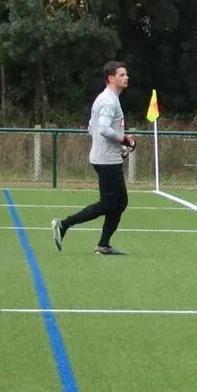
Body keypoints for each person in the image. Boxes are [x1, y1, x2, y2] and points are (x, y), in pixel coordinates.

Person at [52, 61, 135, 255]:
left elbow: (92, 126)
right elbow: (104, 129)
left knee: (120, 203)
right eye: (122, 74)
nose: (126, 77)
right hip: (106, 161)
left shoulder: (106, 98)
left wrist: (120, 144)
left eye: (126, 74)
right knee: (109, 204)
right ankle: (63, 224)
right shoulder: (109, 100)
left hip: (108, 157)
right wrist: (124, 140)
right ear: (111, 78)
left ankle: (103, 245)